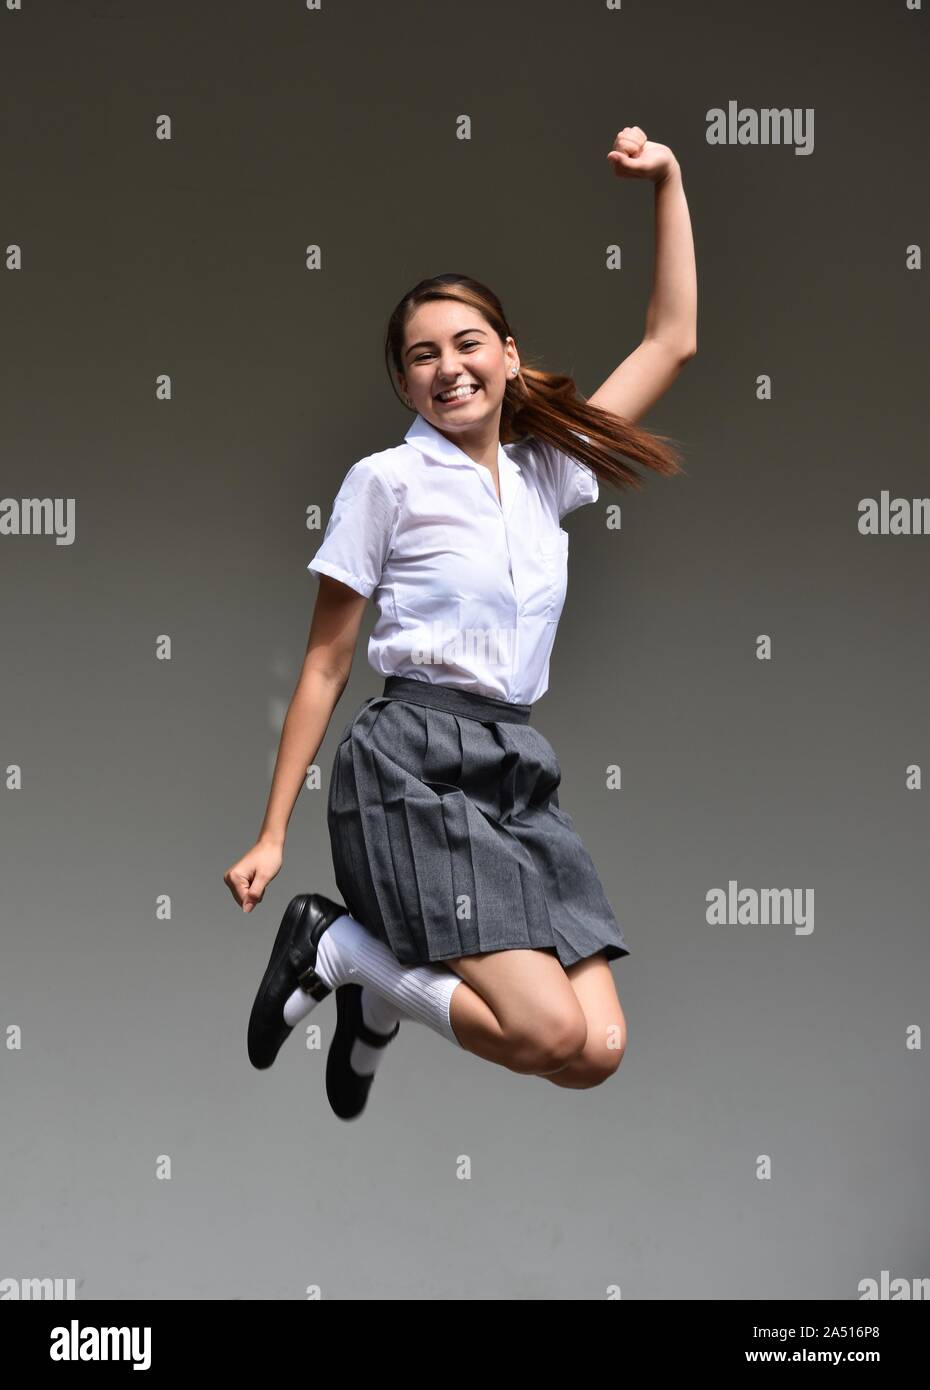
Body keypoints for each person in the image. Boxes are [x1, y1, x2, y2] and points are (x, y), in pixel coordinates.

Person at [224, 126, 697, 1121]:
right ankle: (340, 945)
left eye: (468, 343)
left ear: (510, 356)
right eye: (422, 357)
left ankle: (370, 986)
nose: (449, 368)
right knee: (538, 1029)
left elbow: (671, 340)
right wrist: (272, 829)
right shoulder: (385, 482)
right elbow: (325, 659)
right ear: (404, 384)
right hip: (411, 760)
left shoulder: (546, 476)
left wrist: (668, 180)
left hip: (515, 766)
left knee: (596, 1048)